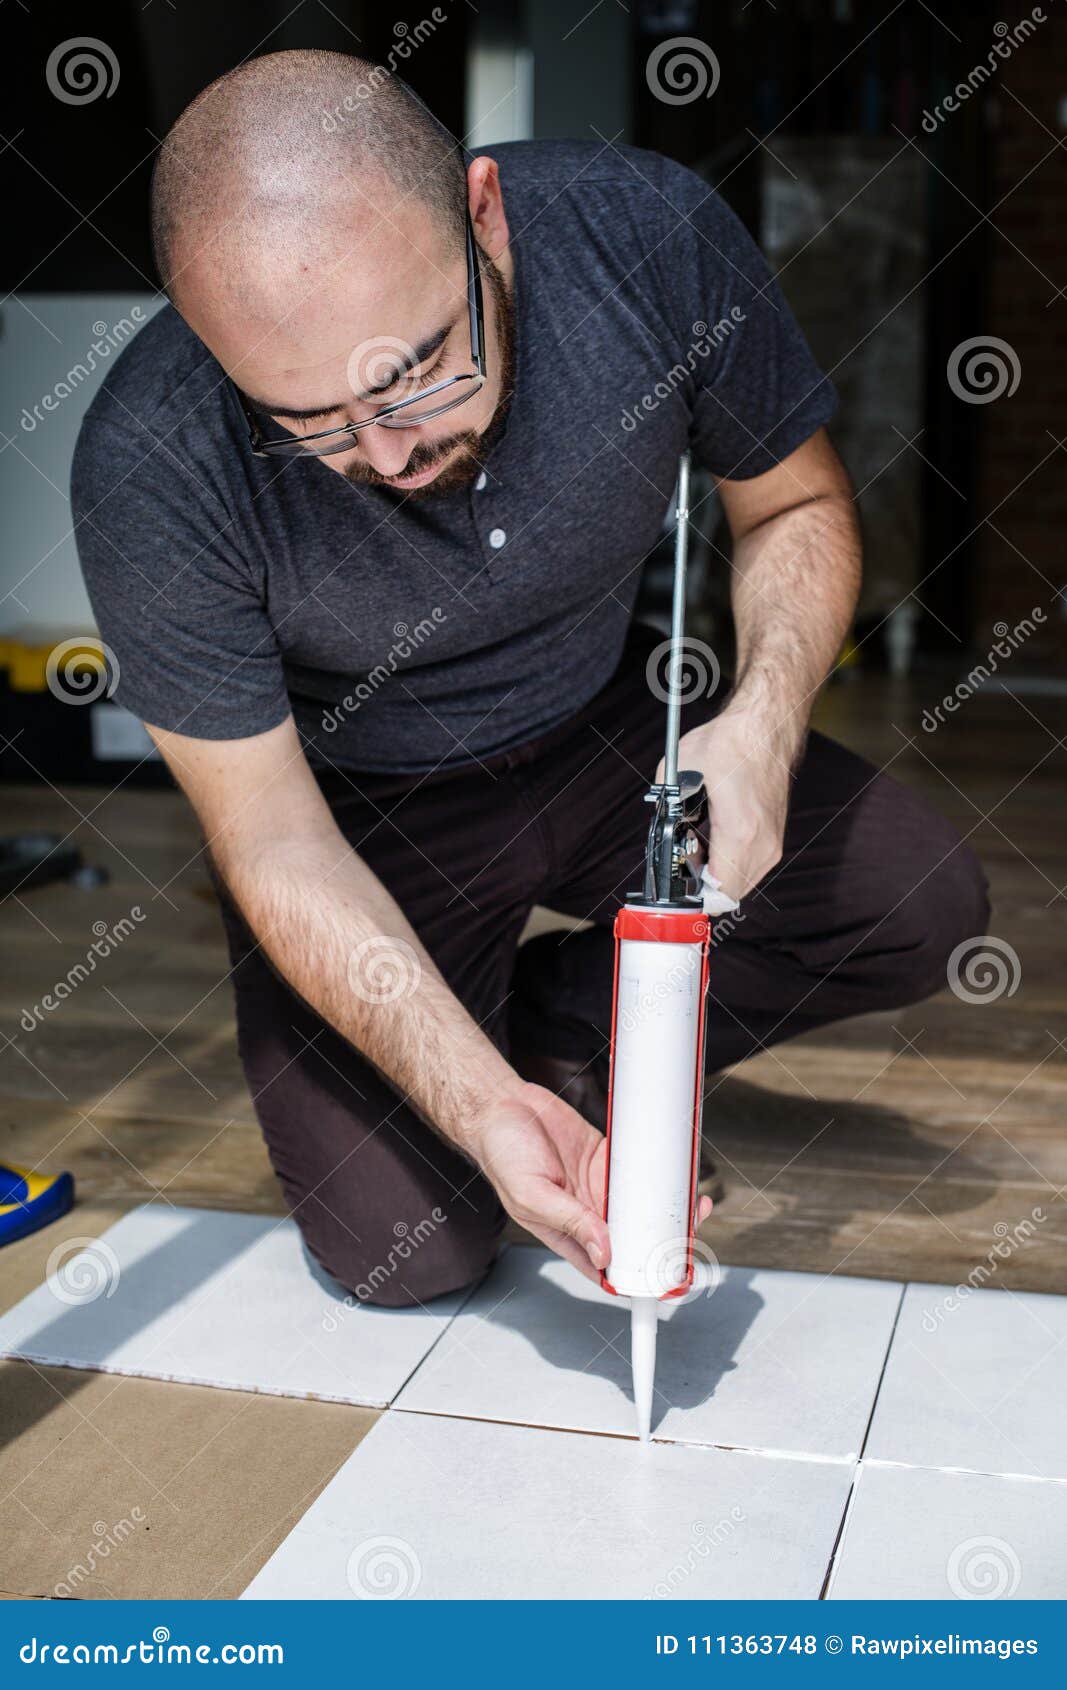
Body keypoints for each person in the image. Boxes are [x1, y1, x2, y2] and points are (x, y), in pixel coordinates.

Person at [72, 50, 989, 1307]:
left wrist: (761, 728)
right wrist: (477, 1102)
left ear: (484, 215)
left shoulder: (643, 235)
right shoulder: (150, 459)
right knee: (413, 1254)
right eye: (307, 421)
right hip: (367, 821)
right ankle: (500, 1053)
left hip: (608, 731)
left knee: (915, 898)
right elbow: (274, 841)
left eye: (413, 373)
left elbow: (794, 507)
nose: (388, 454)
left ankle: (569, 1020)